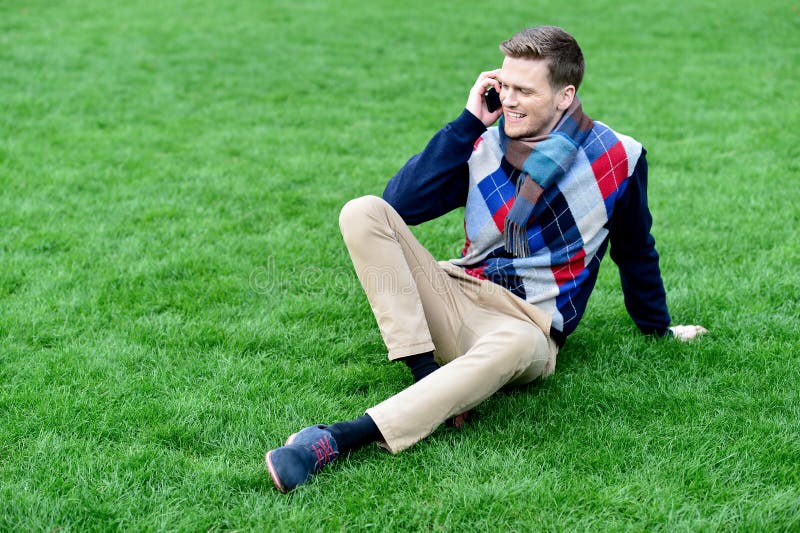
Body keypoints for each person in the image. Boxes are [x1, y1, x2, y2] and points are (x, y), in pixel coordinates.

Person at [264, 25, 707, 493]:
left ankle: (335, 440)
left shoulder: (619, 157)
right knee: (362, 211)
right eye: (504, 85)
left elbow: (636, 251)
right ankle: (428, 376)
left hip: (526, 326)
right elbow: (401, 204)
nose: (509, 101)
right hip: (455, 290)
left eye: (524, 91)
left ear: (565, 95)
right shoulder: (483, 145)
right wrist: (467, 122)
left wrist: (658, 327)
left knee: (515, 344)